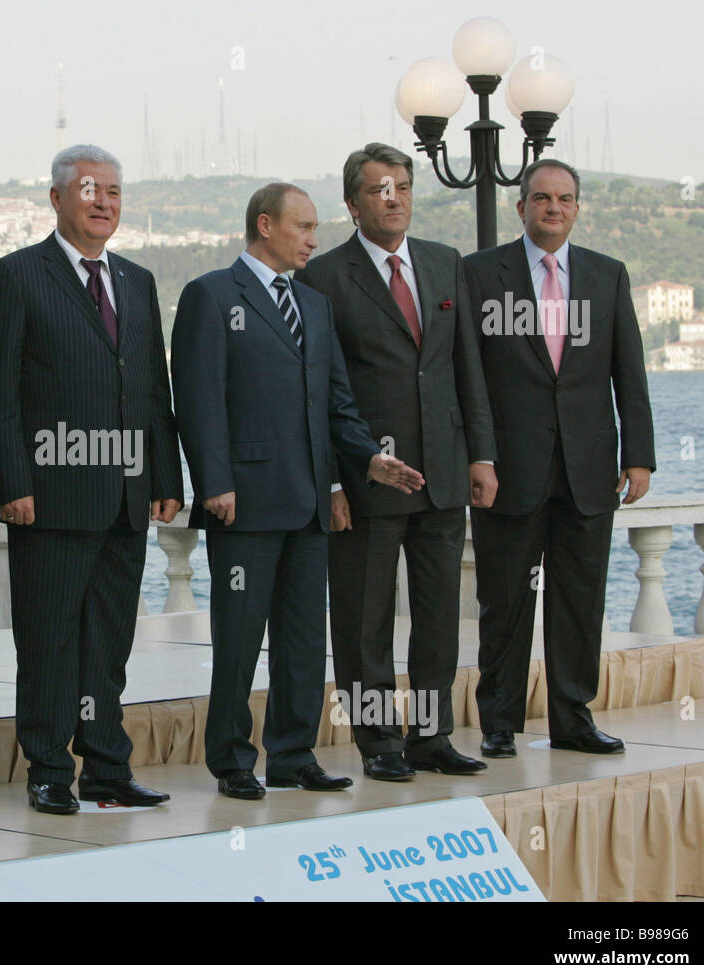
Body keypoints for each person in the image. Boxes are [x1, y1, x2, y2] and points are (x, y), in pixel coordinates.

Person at [171, 183, 425, 800]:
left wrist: (368, 461)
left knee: (305, 639)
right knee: (237, 638)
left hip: (311, 503)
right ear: (265, 225)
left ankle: (292, 755)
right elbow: (197, 399)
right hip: (245, 504)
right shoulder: (210, 295)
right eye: (304, 227)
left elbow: (337, 403)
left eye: (316, 228)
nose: (315, 238)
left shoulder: (313, 304)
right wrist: (215, 483)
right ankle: (232, 759)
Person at [0, 144, 184, 814]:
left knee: (108, 641)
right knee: (48, 641)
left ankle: (105, 766)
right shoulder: (14, 277)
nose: (104, 203)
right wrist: (12, 482)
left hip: (125, 497)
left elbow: (153, 389)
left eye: (115, 193)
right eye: (91, 190)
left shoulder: (137, 281)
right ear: (57, 198)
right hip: (50, 497)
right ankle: (46, 769)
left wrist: (163, 473)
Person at [299, 143, 496, 781]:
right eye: (380, 188)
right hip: (365, 480)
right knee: (364, 623)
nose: (395, 197)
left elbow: (469, 368)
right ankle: (378, 740)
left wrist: (482, 456)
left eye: (403, 186)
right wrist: (334, 478)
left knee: (440, 615)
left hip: (443, 473)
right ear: (353, 204)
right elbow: (318, 390)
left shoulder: (445, 264)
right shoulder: (322, 277)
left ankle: (432, 737)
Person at [465, 159, 655, 758]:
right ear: (520, 207)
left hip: (588, 467)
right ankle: (499, 721)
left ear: (577, 208)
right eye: (541, 198)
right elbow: (468, 376)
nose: (553, 208)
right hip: (507, 470)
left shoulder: (608, 275)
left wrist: (640, 455)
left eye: (565, 199)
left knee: (579, 599)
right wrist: (479, 455)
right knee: (505, 600)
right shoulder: (477, 274)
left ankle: (574, 719)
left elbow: (630, 370)